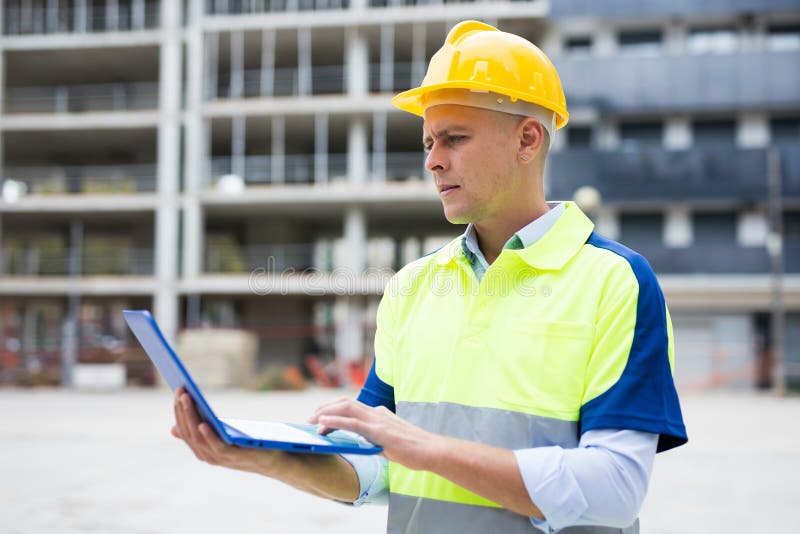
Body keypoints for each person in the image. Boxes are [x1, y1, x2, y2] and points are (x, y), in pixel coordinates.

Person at [172, 20, 687, 533]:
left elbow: (615, 489)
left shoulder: (615, 282)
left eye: (453, 139)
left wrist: (426, 448)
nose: (433, 162)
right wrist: (260, 456)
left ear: (527, 139)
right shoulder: (411, 287)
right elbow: (376, 465)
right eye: (428, 143)